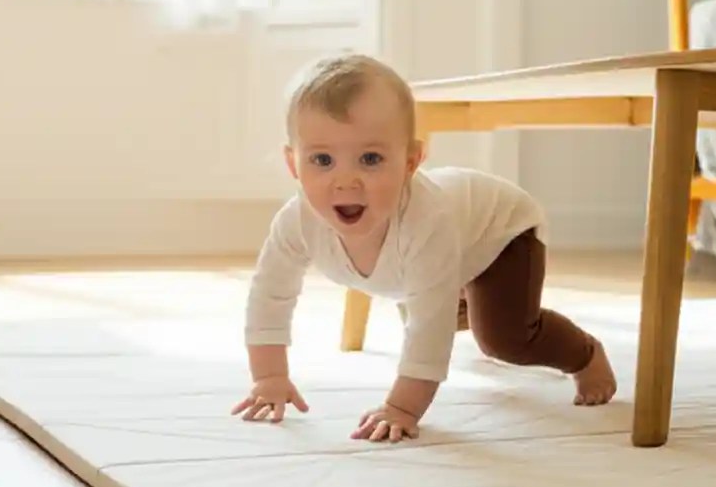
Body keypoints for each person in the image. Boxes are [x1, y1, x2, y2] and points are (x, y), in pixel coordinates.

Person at [231, 53, 616, 443]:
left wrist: (402, 408)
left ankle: (585, 354)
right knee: (435, 300)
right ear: (293, 164)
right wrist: (269, 377)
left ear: (411, 161)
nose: (346, 181)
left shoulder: (426, 222)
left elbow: (429, 330)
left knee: (503, 337)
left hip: (501, 233)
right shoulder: (296, 221)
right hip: (449, 248)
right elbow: (269, 296)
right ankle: (466, 298)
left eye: (370, 159)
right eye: (322, 159)